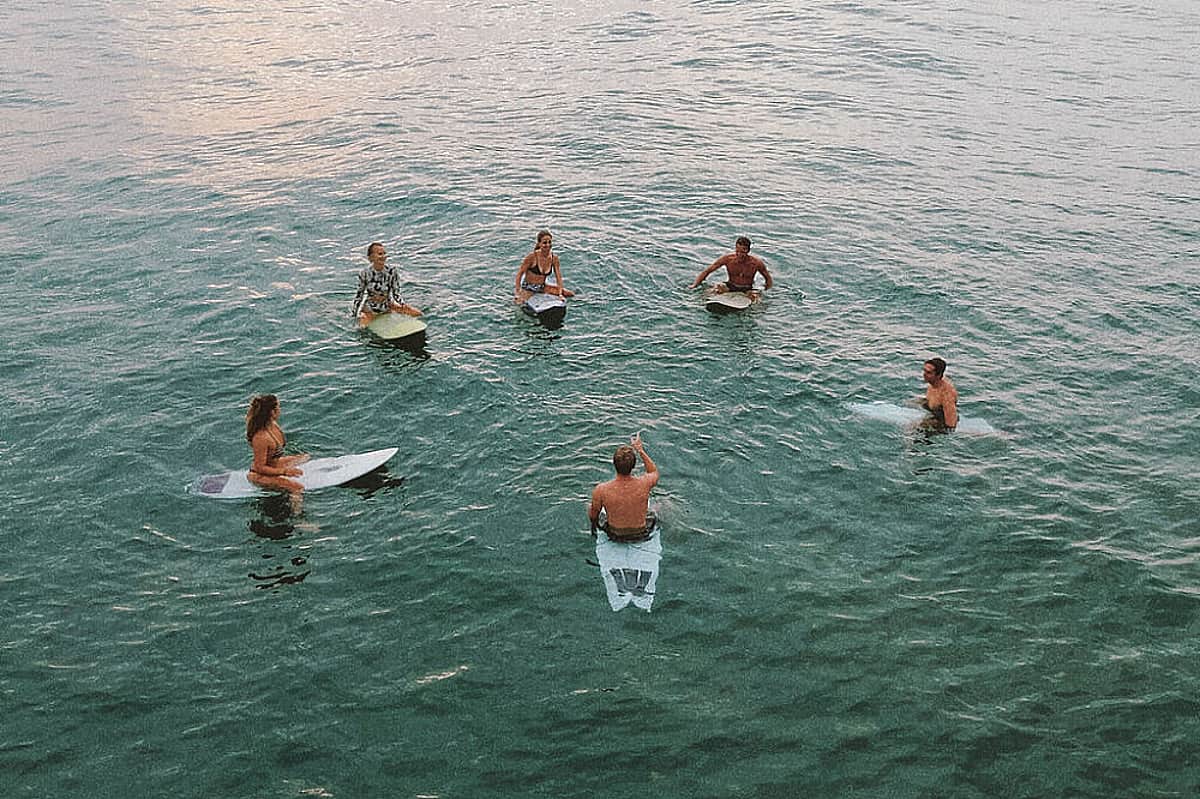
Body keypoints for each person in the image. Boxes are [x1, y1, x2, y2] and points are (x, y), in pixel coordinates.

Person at [588, 433, 660, 542]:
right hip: (641, 533)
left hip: (614, 535)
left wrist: (594, 528)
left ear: (614, 464)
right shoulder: (645, 483)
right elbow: (653, 471)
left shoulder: (601, 490)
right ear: (633, 465)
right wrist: (640, 450)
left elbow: (593, 516)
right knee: (660, 505)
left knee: (590, 506)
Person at [245, 394, 309, 494]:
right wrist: (285, 472)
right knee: (297, 488)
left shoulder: (273, 425)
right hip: (258, 475)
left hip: (274, 464)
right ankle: (297, 510)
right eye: (278, 407)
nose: (280, 410)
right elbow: (260, 468)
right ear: (272, 412)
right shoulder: (261, 438)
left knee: (305, 457)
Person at [353, 242, 422, 327]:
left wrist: (403, 305)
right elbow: (359, 296)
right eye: (380, 254)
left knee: (418, 314)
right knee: (362, 328)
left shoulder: (392, 271)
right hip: (371, 309)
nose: (383, 256)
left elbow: (396, 293)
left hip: (387, 305)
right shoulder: (364, 273)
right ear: (371, 258)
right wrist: (355, 314)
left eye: (384, 253)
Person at [689, 236, 773, 297]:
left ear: (748, 250)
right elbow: (707, 271)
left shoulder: (756, 263)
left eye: (743, 252)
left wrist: (766, 291)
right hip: (730, 286)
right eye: (737, 251)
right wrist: (694, 285)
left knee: (756, 299)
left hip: (747, 289)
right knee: (715, 289)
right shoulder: (728, 259)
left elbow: (768, 278)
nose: (740, 254)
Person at [514, 230, 575, 304]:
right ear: (539, 244)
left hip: (542, 287)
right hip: (528, 288)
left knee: (570, 294)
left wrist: (560, 294)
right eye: (545, 243)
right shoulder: (532, 257)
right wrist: (518, 292)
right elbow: (519, 274)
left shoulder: (554, 258)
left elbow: (558, 277)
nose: (548, 245)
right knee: (519, 303)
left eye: (550, 242)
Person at [922, 357, 958, 430]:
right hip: (933, 409)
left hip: (940, 420)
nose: (924, 374)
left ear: (938, 375)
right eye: (924, 371)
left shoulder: (946, 395)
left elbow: (951, 424)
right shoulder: (934, 383)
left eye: (928, 372)